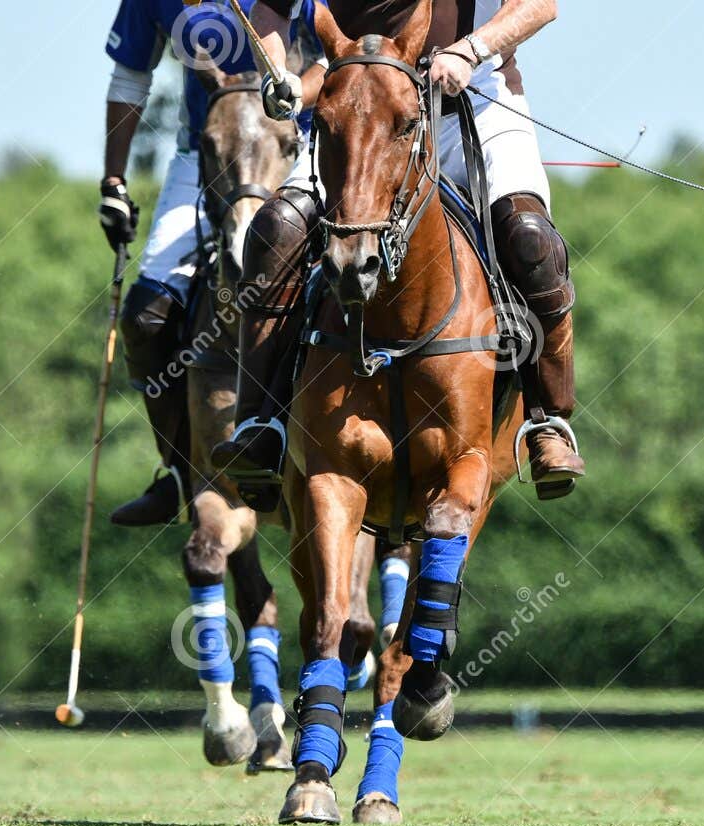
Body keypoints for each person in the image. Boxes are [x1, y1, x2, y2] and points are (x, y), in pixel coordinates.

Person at [210, 0, 586, 507]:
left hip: (474, 101)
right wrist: (279, 74)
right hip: (363, 110)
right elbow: (272, 11)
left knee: (529, 238)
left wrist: (470, 50)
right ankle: (262, 423)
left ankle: (548, 421)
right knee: (277, 230)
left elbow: (539, 6)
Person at [99, 0, 301, 525]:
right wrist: (114, 182)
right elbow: (129, 78)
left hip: (295, 150)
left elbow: (341, 50)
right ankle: (178, 470)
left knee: (359, 275)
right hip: (204, 157)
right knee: (147, 317)